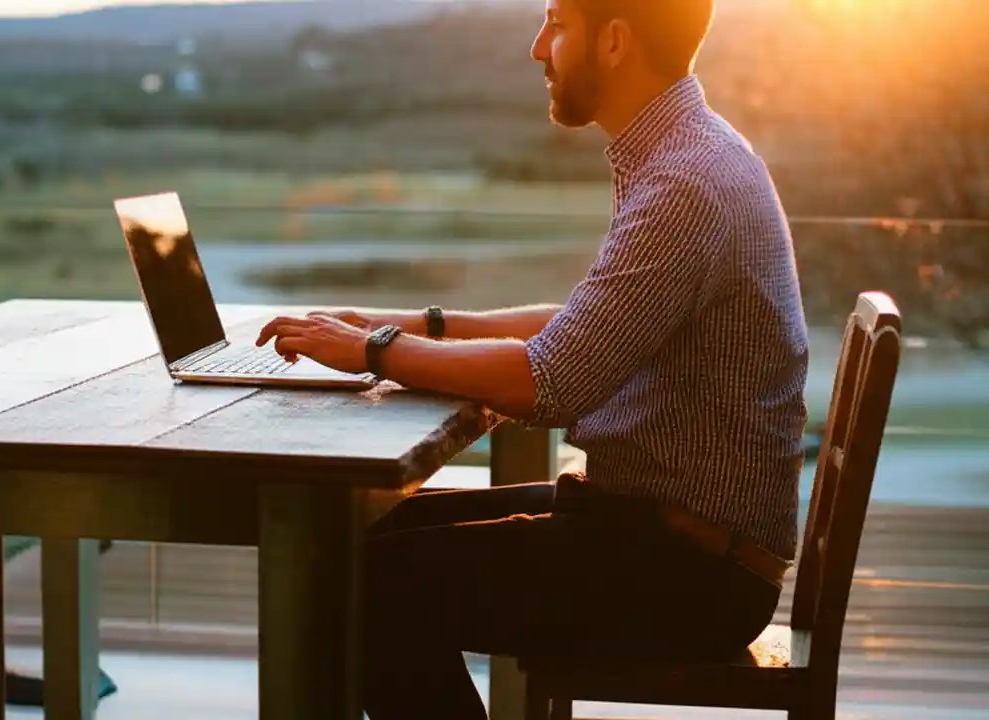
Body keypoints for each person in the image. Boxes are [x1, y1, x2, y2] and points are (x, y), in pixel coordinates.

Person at [256, 0, 809, 716]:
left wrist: (374, 350)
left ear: (613, 42)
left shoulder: (686, 184)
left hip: (691, 571)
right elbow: (586, 328)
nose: (537, 47)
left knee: (362, 587)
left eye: (556, 23)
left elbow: (552, 381)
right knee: (365, 535)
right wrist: (420, 324)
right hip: (666, 535)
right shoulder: (688, 152)